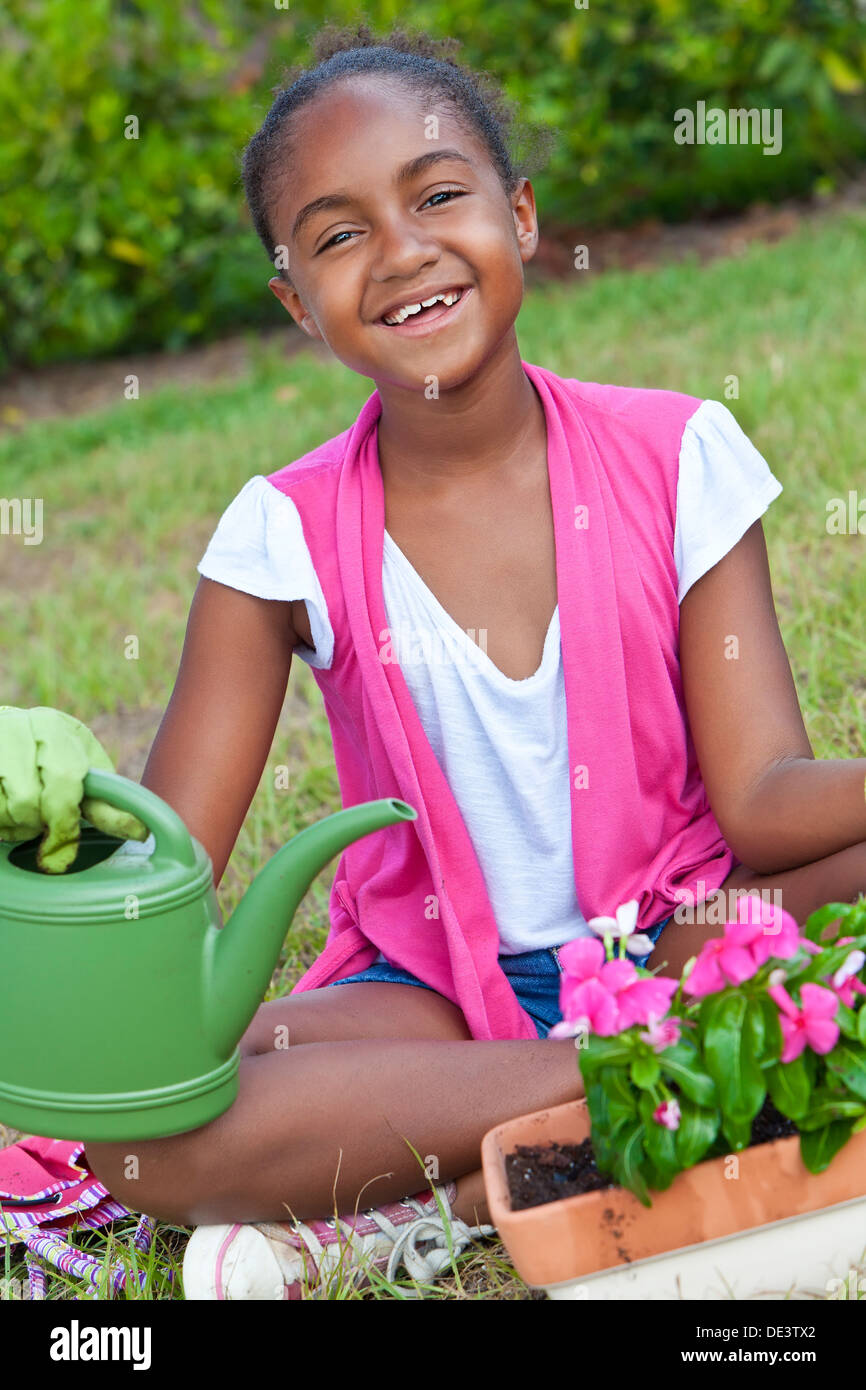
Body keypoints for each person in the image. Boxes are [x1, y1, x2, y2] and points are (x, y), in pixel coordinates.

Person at [5, 22, 866, 1300]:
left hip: (684, 935)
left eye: (438, 195)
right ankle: (677, 1085)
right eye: (339, 232)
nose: (402, 253)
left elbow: (759, 801)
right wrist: (50, 811)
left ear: (517, 215)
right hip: (429, 1005)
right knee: (142, 1135)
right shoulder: (278, 535)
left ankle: (434, 1196)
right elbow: (164, 870)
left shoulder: (678, 453)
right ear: (295, 299)